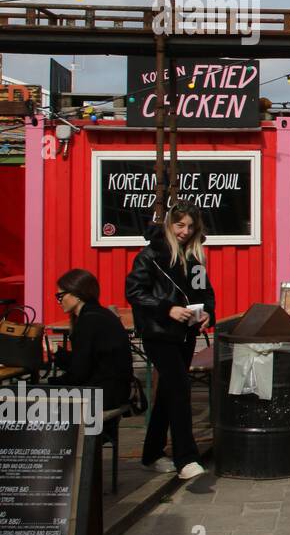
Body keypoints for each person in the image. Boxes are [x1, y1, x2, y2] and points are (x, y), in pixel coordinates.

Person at [124, 203, 215, 481]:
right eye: (180, 225)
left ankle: (151, 453)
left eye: (190, 226)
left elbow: (205, 291)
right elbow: (134, 291)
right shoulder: (150, 255)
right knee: (178, 388)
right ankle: (186, 458)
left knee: (168, 392)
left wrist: (208, 312)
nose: (185, 231)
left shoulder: (195, 256)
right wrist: (167, 308)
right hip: (158, 333)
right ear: (169, 225)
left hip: (185, 334)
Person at [53, 269, 134, 447]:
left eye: (60, 296)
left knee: (28, 402)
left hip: (102, 394)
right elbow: (85, 363)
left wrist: (50, 384)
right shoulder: (101, 314)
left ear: (77, 294)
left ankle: (58, 460)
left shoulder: (88, 322)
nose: (58, 301)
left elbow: (78, 374)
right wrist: (56, 352)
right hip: (114, 390)